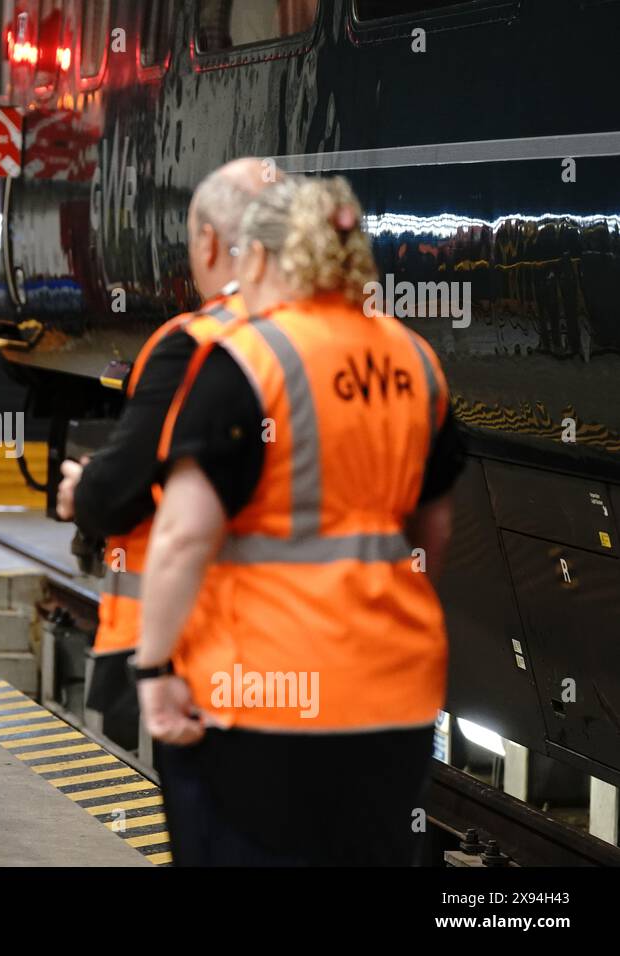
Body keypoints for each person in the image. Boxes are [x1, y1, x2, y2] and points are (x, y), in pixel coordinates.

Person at [136, 175, 461, 865]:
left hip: (262, 697)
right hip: (394, 695)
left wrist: (154, 668)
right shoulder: (415, 360)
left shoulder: (249, 362)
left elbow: (184, 536)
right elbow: (433, 533)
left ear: (256, 258)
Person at [55, 158, 279, 671]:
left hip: (223, 654)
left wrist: (85, 490)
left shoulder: (204, 346)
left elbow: (142, 506)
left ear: (208, 243)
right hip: (363, 661)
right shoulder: (393, 349)